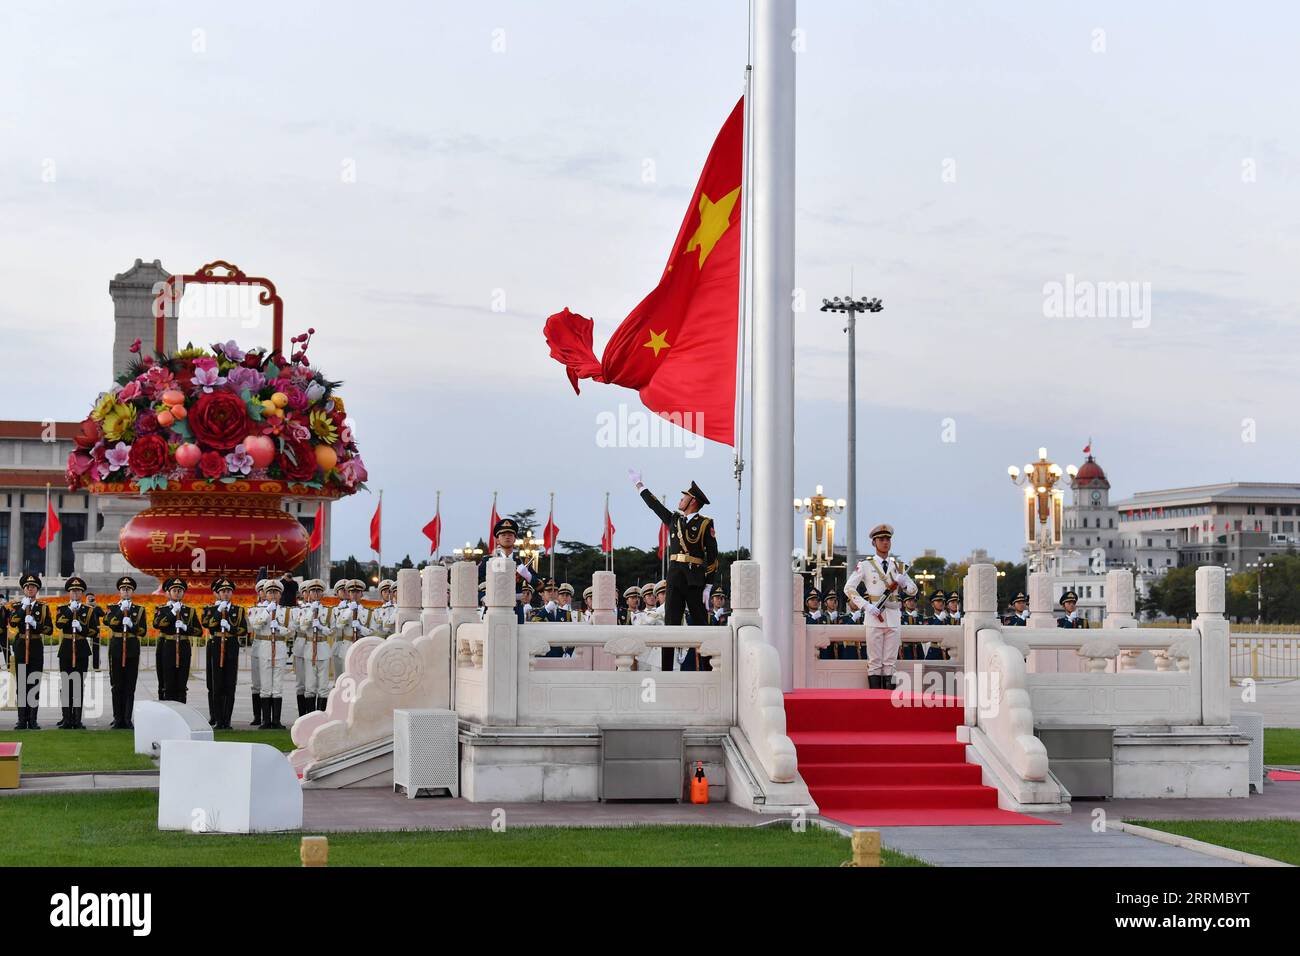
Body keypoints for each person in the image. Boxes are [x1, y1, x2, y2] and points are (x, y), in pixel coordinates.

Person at [628, 470, 718, 628]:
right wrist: (640, 486)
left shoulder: (705, 523)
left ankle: (704, 654)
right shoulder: (674, 520)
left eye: (684, 497)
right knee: (671, 621)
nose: (681, 499)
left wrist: (709, 585)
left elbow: (712, 556)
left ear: (692, 501)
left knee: (700, 621)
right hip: (675, 574)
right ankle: (668, 654)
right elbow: (655, 506)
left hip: (694, 577)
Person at [843, 524, 917, 690]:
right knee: (875, 661)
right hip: (874, 615)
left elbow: (913, 591)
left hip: (893, 615)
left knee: (890, 662)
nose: (885, 542)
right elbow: (848, 588)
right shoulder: (865, 565)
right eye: (881, 539)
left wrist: (904, 583)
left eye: (888, 539)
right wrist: (866, 606)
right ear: (874, 543)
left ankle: (888, 700)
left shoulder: (899, 567)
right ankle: (875, 699)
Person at [201, 578, 247, 730]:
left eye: (228, 591)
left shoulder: (238, 610)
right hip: (215, 645)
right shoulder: (210, 609)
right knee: (215, 683)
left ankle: (226, 720)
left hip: (231, 645)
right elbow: (206, 623)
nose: (226, 594)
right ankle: (217, 718)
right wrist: (218, 613)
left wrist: (230, 628)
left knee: (229, 684)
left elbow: (243, 630)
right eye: (223, 591)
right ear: (217, 593)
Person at [10, 573, 52, 729]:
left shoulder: (43, 608)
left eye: (33, 587)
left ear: (37, 590)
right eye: (27, 587)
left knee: (33, 683)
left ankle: (33, 720)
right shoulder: (17, 606)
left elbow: (49, 629)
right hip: (21, 645)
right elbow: (13, 622)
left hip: (35, 645)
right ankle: (22, 719)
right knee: (22, 684)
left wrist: (35, 624)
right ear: (23, 589)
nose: (30, 589)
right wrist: (22, 609)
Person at [248, 578, 292, 728]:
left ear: (280, 595)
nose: (273, 595)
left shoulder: (286, 611)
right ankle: (266, 720)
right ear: (265, 595)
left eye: (276, 592)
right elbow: (255, 625)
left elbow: (291, 631)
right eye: (270, 592)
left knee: (278, 685)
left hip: (279, 646)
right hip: (265, 647)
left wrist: (280, 629)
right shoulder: (258, 610)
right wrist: (267, 611)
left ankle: (276, 721)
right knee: (266, 685)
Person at [54, 577, 96, 729]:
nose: (75, 593)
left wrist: (81, 628)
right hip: (66, 649)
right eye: (73, 591)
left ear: (82, 593)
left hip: (81, 649)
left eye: (78, 591)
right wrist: (69, 610)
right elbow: (59, 624)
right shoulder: (62, 608)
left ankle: (77, 720)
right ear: (69, 593)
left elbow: (93, 631)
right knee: (66, 684)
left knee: (78, 685)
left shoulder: (88, 610)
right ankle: (66, 719)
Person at [102, 575, 142, 730]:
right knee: (116, 684)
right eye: (123, 589)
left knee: (130, 685)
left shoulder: (139, 610)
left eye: (129, 589)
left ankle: (127, 718)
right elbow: (110, 623)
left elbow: (143, 630)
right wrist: (120, 611)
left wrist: (131, 625)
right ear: (119, 591)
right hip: (117, 647)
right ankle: (117, 718)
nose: (126, 592)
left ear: (132, 592)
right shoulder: (112, 608)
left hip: (132, 647)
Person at [153, 578, 200, 703]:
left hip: (183, 647)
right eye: (174, 590)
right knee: (167, 681)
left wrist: (185, 627)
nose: (177, 593)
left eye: (180, 590)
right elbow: (157, 624)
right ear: (168, 592)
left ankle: (181, 710)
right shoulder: (162, 609)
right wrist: (173, 612)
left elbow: (198, 631)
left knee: (181, 683)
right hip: (167, 647)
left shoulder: (189, 611)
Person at [293, 579, 335, 712]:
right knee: (310, 687)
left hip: (322, 647)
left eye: (318, 591)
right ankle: (308, 716)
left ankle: (321, 716)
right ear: (309, 593)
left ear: (322, 593)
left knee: (323, 687)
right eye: (313, 591)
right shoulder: (304, 610)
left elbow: (332, 630)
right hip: (309, 648)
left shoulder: (328, 611)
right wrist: (311, 612)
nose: (316, 593)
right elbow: (302, 626)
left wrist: (321, 627)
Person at [332, 579, 374, 685]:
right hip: (346, 646)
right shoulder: (343, 611)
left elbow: (371, 632)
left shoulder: (368, 612)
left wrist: (360, 627)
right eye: (352, 592)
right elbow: (339, 625)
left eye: (357, 592)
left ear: (362, 594)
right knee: (344, 678)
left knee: (361, 678)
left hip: (361, 646)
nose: (354, 595)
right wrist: (350, 610)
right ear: (349, 594)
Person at [247, 579, 269, 727]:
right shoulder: (254, 609)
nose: (264, 593)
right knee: (256, 683)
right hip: (258, 644)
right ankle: (257, 715)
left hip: (269, 645)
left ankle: (267, 716)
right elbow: (253, 626)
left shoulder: (277, 609)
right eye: (262, 590)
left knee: (268, 684)